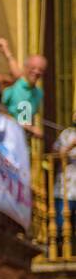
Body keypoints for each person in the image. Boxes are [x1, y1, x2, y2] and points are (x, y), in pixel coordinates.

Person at [2, 55, 47, 136]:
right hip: (6, 138)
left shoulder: (39, 93)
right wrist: (28, 128)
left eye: (40, 70)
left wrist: (33, 130)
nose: (36, 72)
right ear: (25, 68)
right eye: (33, 68)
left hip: (24, 142)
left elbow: (28, 118)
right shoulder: (12, 85)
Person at [54, 110, 76, 256]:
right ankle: (60, 253)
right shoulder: (67, 134)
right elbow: (56, 154)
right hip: (66, 189)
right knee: (61, 225)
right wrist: (71, 146)